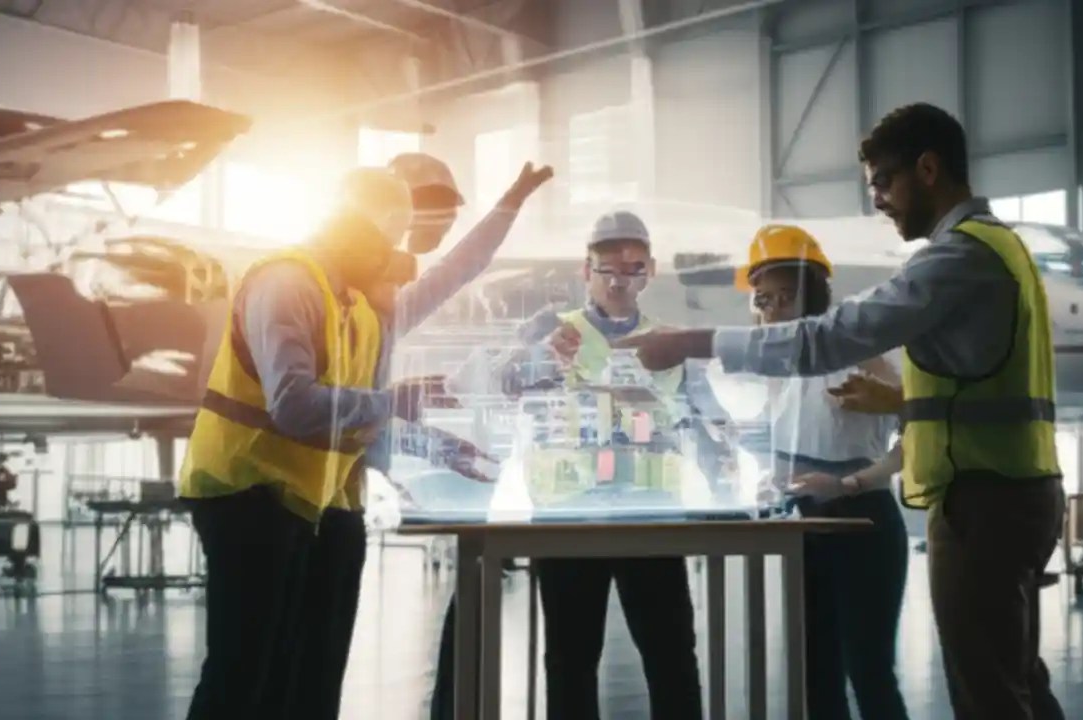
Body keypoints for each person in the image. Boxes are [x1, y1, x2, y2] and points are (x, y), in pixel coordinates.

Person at [616, 102, 1066, 720]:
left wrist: (692, 342)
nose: (878, 198)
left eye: (884, 181)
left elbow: (821, 340)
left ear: (928, 169)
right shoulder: (1001, 247)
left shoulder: (958, 258)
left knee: (985, 691)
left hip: (982, 500)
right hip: (1011, 489)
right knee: (1013, 680)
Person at [180, 160, 552, 720]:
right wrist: (397, 402)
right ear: (355, 227)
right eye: (393, 237)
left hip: (324, 502)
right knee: (246, 673)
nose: (400, 255)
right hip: (248, 494)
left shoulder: (365, 310)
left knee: (316, 671)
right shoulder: (286, 285)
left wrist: (441, 449)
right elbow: (297, 408)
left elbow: (457, 272)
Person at [432, 210, 723, 720]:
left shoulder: (672, 342)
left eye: (633, 268)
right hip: (567, 519)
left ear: (650, 271)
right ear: (584, 270)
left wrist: (729, 486)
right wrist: (538, 358)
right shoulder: (549, 332)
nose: (619, 279)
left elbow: (711, 422)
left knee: (672, 657)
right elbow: (477, 382)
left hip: (651, 517)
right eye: (607, 267)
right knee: (569, 661)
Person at [736, 224, 911, 720]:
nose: (771, 310)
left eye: (783, 297)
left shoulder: (855, 351)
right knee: (816, 674)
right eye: (762, 300)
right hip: (804, 528)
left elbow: (915, 438)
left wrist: (848, 483)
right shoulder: (779, 366)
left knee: (870, 672)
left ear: (812, 290)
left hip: (863, 522)